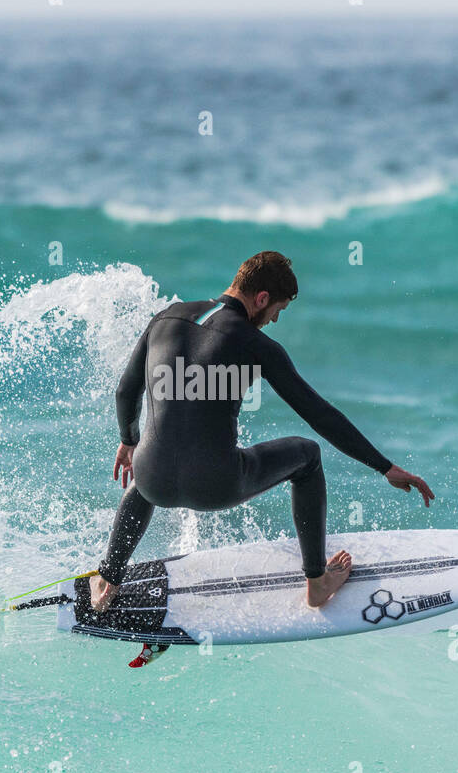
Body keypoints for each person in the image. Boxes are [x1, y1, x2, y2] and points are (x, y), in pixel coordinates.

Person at [92, 251, 434, 612]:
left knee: (153, 455)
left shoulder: (166, 318)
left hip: (151, 482)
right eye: (278, 311)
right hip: (216, 485)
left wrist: (129, 441)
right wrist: (384, 466)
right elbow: (319, 414)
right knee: (308, 455)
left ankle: (109, 579)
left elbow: (126, 391)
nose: (273, 321)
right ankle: (317, 582)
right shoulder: (257, 345)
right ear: (262, 299)